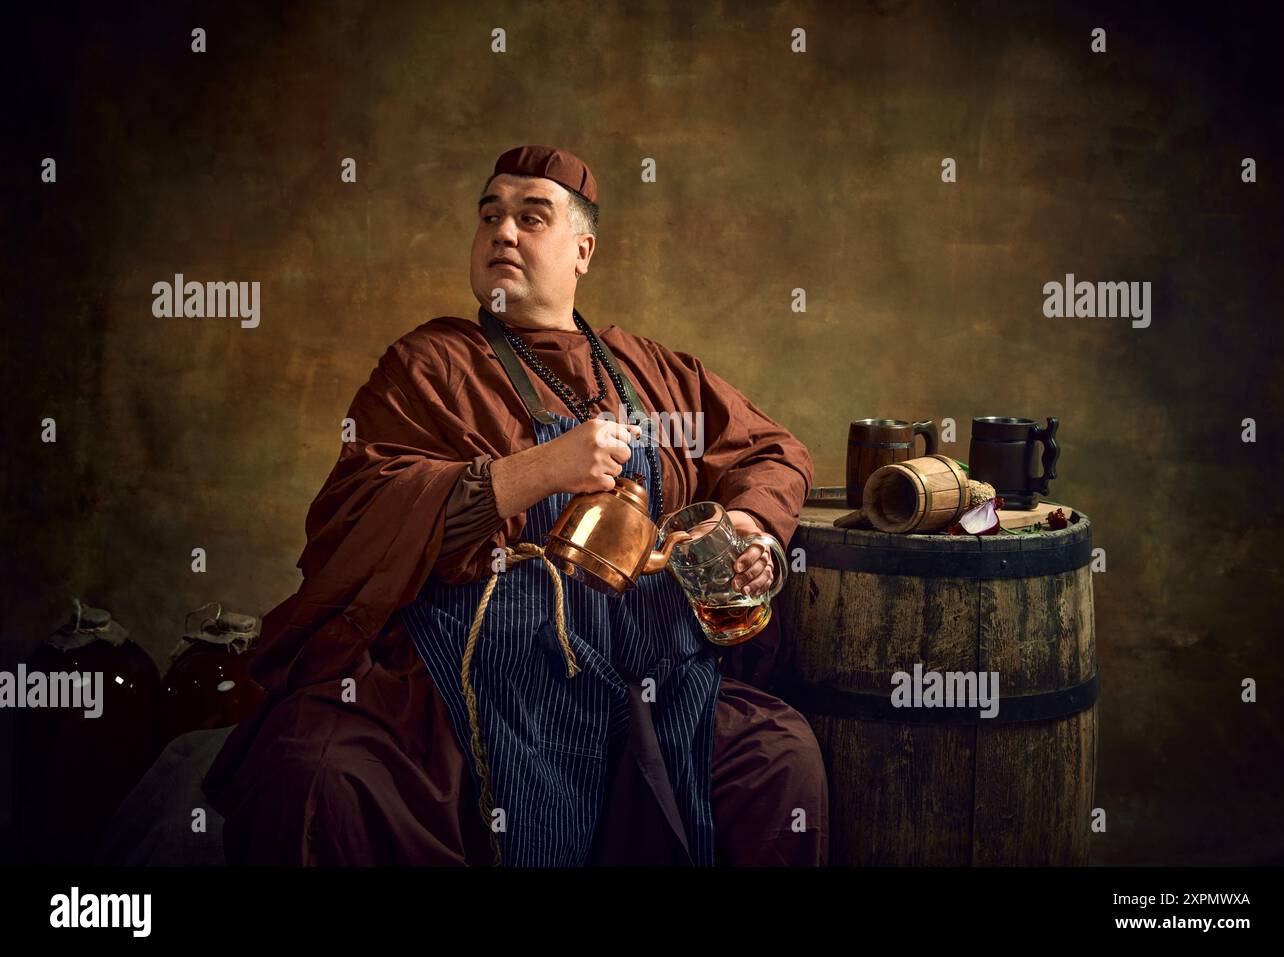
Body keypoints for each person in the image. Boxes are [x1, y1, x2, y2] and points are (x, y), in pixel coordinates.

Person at [201, 144, 829, 867]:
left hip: (634, 680)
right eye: (490, 215)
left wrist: (748, 527)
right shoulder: (427, 365)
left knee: (780, 756)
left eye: (532, 217)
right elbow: (355, 514)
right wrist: (535, 470)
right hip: (467, 679)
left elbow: (773, 450)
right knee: (313, 776)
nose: (503, 231)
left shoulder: (653, 371)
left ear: (582, 250)